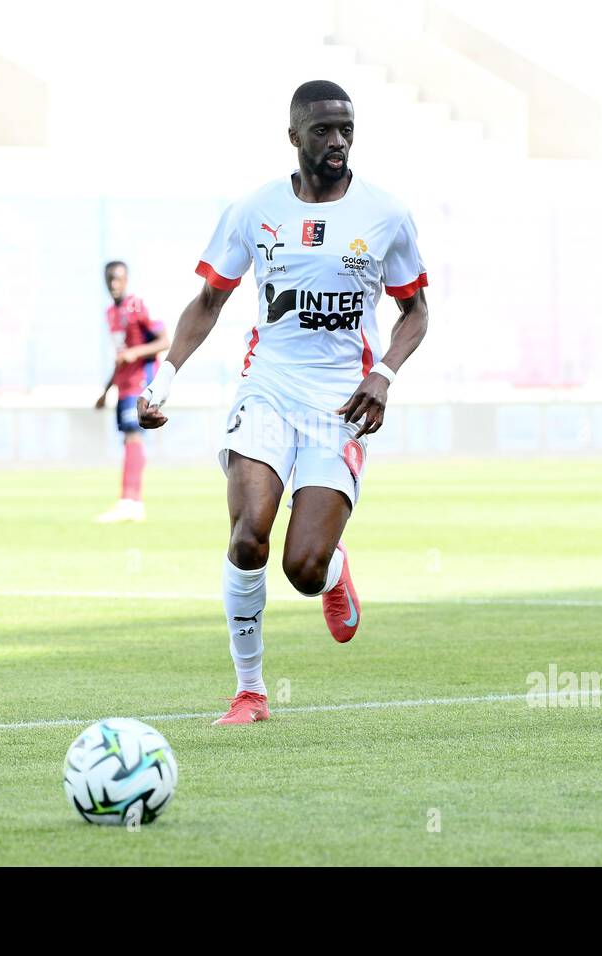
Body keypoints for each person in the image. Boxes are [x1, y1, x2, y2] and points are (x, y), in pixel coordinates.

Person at [136, 80, 429, 725]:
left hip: (340, 405)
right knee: (248, 537)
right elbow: (209, 302)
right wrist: (165, 376)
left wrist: (383, 374)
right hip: (266, 388)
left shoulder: (386, 214)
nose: (337, 142)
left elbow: (415, 311)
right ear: (294, 136)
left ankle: (331, 572)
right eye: (323, 130)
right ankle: (250, 691)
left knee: (301, 565)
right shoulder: (253, 209)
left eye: (346, 129)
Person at [94, 260, 169, 523]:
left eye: (118, 279)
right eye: (110, 279)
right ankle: (130, 502)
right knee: (128, 439)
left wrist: (136, 353)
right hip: (123, 384)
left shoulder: (137, 305)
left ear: (126, 280)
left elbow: (164, 341)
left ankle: (131, 501)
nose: (114, 284)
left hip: (140, 381)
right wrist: (106, 391)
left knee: (133, 438)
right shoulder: (110, 314)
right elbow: (120, 356)